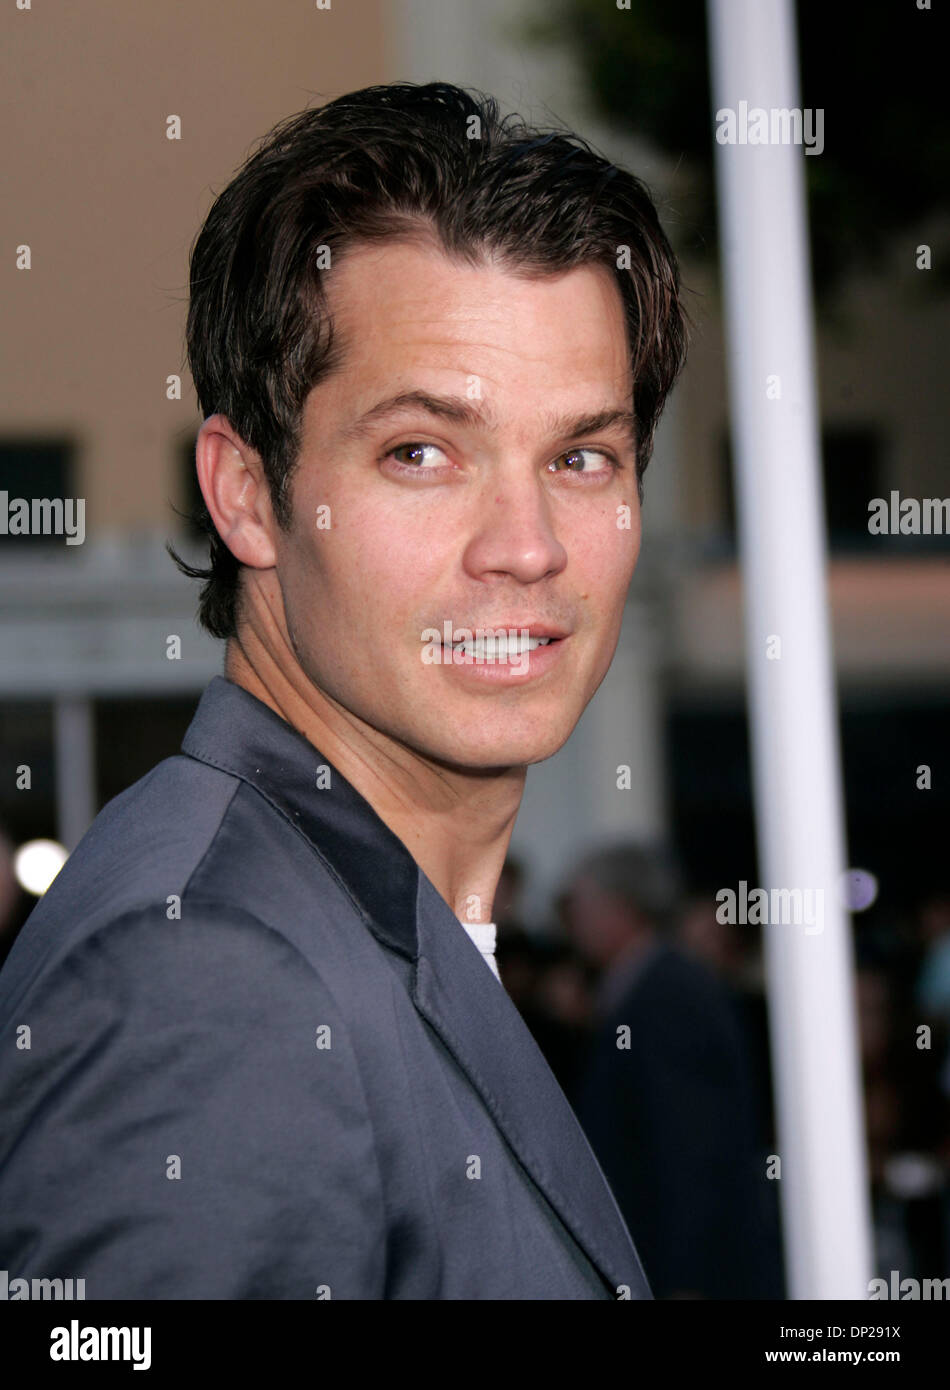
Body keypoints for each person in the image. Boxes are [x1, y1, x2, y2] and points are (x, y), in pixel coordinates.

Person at [0, 82, 688, 1299]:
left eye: (581, 456)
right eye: (421, 452)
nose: (524, 544)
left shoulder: (352, 916)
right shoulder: (207, 976)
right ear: (248, 492)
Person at [563, 843, 785, 1299]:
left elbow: (692, 1149)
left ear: (620, 909)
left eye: (582, 906)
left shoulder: (668, 996)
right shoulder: (647, 986)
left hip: (686, 1274)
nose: (573, 923)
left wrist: (686, 1280)